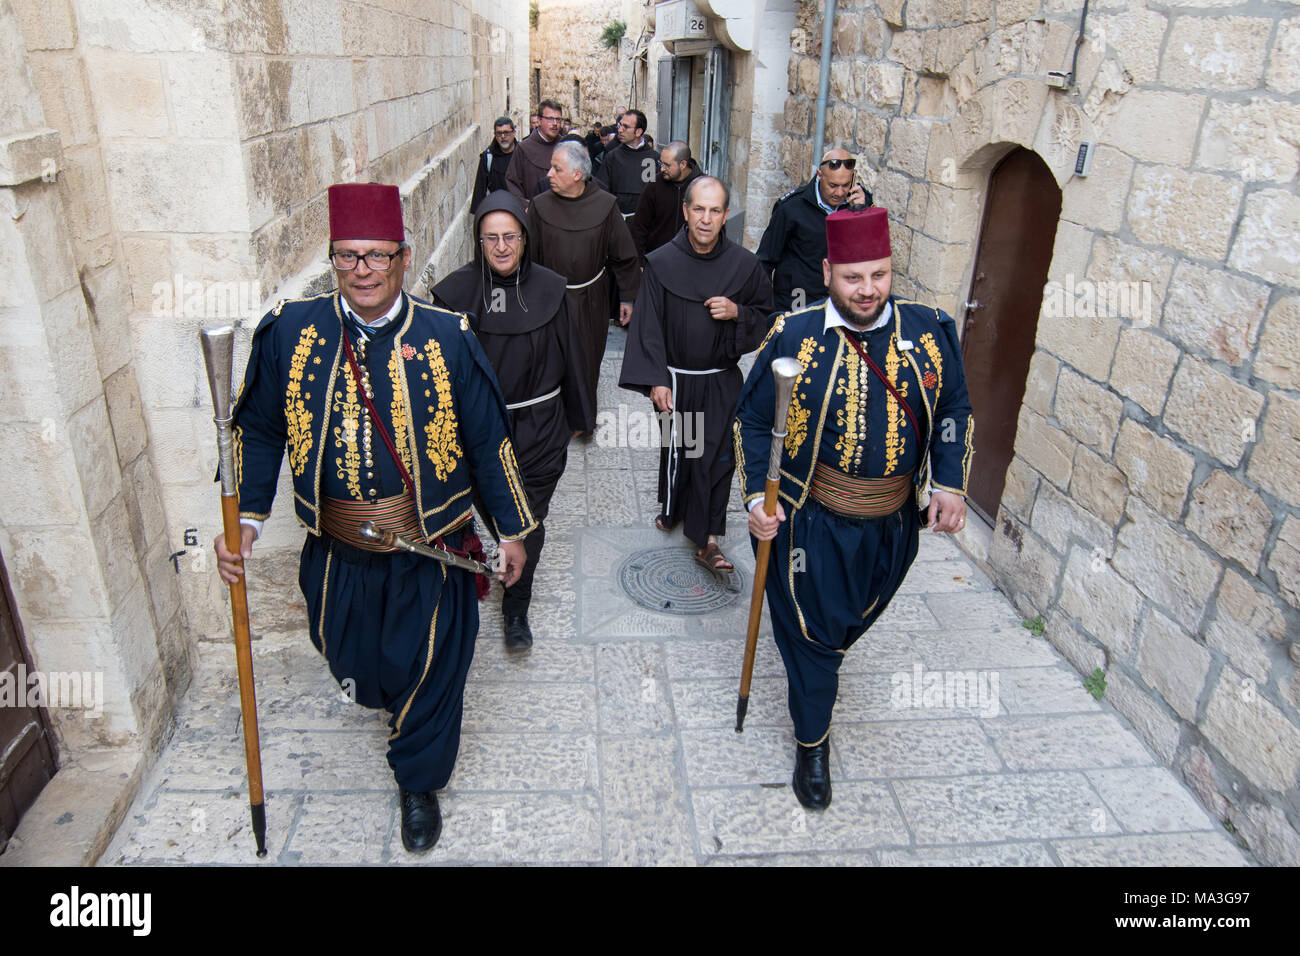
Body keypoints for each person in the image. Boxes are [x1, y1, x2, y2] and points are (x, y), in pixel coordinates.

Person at [213, 183, 534, 854]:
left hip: (429, 545)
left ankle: (416, 780)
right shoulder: (292, 331)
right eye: (348, 255)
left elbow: (487, 441)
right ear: (333, 258)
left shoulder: (447, 337)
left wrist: (511, 529)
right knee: (355, 659)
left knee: (429, 669)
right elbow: (261, 429)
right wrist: (245, 515)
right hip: (337, 550)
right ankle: (393, 706)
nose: (363, 269)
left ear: (403, 258)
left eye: (377, 255)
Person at [736, 206, 974, 811]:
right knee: (814, 639)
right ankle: (812, 744)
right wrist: (755, 501)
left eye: (879, 275)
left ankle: (819, 676)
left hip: (892, 530)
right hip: (808, 523)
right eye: (852, 278)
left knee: (842, 628)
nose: (867, 290)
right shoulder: (794, 335)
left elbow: (953, 409)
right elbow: (755, 419)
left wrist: (950, 482)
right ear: (827, 271)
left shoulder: (931, 331)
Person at [431, 192, 594, 649]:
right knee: (502, 518)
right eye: (491, 239)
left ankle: (516, 607)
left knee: (527, 522)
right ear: (478, 242)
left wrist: (580, 415)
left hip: (541, 427)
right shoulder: (453, 294)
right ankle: (504, 562)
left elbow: (575, 356)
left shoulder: (552, 288)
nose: (501, 247)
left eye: (510, 237)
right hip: (481, 437)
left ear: (525, 239)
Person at [620, 176, 773, 571]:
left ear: (725, 216)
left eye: (715, 210)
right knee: (681, 450)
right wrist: (655, 378)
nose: (706, 219)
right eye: (699, 209)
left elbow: (770, 319)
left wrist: (738, 312)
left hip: (721, 379)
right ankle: (673, 509)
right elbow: (648, 325)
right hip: (674, 380)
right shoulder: (660, 263)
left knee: (717, 459)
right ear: (686, 212)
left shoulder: (745, 266)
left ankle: (708, 540)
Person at [528, 140, 640, 405]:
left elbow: (624, 255)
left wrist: (626, 298)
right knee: (551, 359)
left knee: (587, 358)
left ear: (577, 175)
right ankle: (555, 416)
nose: (549, 174)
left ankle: (583, 417)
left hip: (592, 298)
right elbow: (527, 256)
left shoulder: (605, 205)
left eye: (556, 169)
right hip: (550, 299)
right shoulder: (539, 205)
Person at [756, 147, 871, 314]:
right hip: (797, 300)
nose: (839, 193)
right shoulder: (791, 208)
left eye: (845, 185)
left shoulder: (859, 203)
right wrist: (764, 309)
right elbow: (765, 260)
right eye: (833, 185)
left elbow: (869, 249)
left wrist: (862, 211)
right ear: (819, 175)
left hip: (840, 300)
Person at [630, 140, 703, 259]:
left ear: (683, 164)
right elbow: (639, 226)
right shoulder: (654, 184)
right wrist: (639, 261)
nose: (662, 169)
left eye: (667, 165)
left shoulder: (702, 186)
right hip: (656, 260)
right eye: (661, 163)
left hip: (691, 261)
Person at [594, 109, 657, 218]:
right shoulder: (612, 157)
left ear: (638, 132)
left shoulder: (654, 158)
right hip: (618, 221)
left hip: (646, 223)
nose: (620, 130)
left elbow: (656, 194)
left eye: (626, 127)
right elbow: (602, 190)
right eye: (620, 125)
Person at [506, 99, 564, 205]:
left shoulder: (566, 146)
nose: (555, 124)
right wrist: (526, 207)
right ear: (539, 120)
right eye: (550, 119)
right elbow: (512, 183)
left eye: (558, 119)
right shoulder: (523, 148)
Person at [470, 116, 517, 213]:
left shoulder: (522, 154)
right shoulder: (488, 157)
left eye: (506, 133)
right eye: (499, 133)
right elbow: (480, 189)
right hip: (497, 210)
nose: (503, 137)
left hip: (518, 209)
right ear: (495, 135)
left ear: (514, 133)